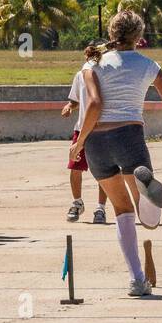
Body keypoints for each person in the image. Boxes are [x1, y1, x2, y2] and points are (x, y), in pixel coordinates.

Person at [70, 11, 162, 297]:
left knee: (121, 211)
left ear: (111, 33)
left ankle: (136, 279)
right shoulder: (149, 65)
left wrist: (80, 142)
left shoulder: (92, 64)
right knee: (149, 219)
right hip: (128, 136)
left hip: (97, 142)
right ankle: (149, 200)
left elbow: (93, 105)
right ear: (139, 37)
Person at [63, 41, 109, 224]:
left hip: (101, 128)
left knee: (104, 171)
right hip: (81, 127)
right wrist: (69, 106)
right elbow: (76, 99)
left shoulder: (106, 73)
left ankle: (101, 208)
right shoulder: (80, 75)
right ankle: (77, 203)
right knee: (75, 168)